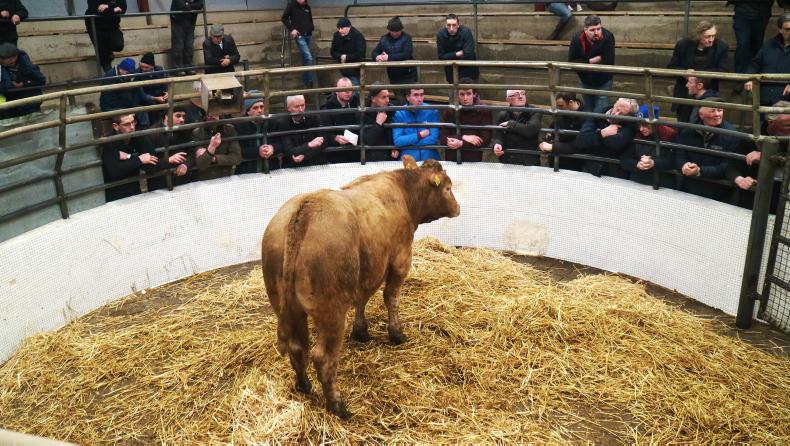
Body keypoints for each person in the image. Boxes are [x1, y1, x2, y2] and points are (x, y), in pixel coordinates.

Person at [675, 98, 741, 201]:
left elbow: (727, 166)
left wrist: (700, 171)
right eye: (712, 111)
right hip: (689, 189)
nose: (717, 114)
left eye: (720, 110)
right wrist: (683, 165)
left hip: (717, 193)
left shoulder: (732, 134)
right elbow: (679, 155)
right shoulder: (688, 130)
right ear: (701, 115)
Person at [667, 21, 729, 121]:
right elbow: (671, 67)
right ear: (699, 36)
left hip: (708, 91)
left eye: (713, 36)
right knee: (684, 123)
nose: (711, 40)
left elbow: (723, 70)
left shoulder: (721, 47)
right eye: (707, 36)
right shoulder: (683, 45)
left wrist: (699, 76)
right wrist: (684, 72)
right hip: (685, 91)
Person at [101, 113, 159, 202]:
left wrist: (129, 157)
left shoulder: (137, 135)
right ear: (116, 126)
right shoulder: (109, 141)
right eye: (127, 124)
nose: (132, 127)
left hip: (134, 187)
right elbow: (114, 171)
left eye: (133, 122)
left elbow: (152, 165)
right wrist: (139, 159)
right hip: (115, 192)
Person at [575, 97, 639, 178]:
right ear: (614, 105)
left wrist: (594, 136)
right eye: (617, 109)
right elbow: (581, 140)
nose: (616, 114)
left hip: (614, 171)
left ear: (629, 116)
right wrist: (603, 133)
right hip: (591, 166)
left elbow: (617, 143)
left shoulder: (631, 123)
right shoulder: (598, 114)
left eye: (622, 114)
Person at [619, 104, 677, 187]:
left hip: (662, 184)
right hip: (637, 181)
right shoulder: (636, 133)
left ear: (655, 123)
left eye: (645, 125)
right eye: (639, 124)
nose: (641, 129)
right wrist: (637, 164)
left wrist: (653, 163)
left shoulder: (669, 134)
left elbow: (673, 161)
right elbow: (624, 158)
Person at [100, 58, 167, 128]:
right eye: (127, 73)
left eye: (131, 73)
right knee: (126, 118)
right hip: (112, 107)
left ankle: (146, 133)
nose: (130, 75)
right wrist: (128, 111)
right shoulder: (109, 77)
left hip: (127, 105)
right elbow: (109, 100)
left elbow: (140, 93)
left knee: (147, 109)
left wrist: (155, 98)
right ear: (120, 69)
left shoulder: (130, 76)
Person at [568, 15, 615, 114]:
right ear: (585, 30)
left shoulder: (608, 37)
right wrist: (590, 61)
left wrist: (583, 62)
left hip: (603, 82)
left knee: (600, 113)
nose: (596, 32)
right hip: (585, 81)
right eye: (592, 30)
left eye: (599, 29)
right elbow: (572, 61)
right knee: (588, 111)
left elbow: (608, 62)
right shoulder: (577, 38)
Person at [728, 1, 788, 75]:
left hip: (761, 13)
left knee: (757, 46)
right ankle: (740, 78)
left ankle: (753, 76)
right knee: (743, 45)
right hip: (743, 12)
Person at [440, 78, 492, 162]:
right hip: (452, 159)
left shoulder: (483, 110)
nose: (465, 98)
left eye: (468, 94)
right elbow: (442, 137)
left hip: (473, 159)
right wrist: (464, 137)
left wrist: (461, 143)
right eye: (462, 94)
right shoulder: (450, 110)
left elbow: (486, 139)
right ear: (457, 95)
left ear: (474, 94)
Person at [744, 13, 790, 107]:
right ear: (780, 30)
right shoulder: (769, 45)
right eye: (787, 29)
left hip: (786, 98)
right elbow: (755, 64)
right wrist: (750, 79)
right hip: (764, 96)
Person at [271, 94, 326, 167]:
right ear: (288, 108)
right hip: (293, 166)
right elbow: (289, 149)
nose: (301, 110)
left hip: (314, 163)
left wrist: (305, 155)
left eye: (302, 105)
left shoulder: (314, 117)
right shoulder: (282, 123)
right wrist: (309, 144)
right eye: (296, 106)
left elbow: (323, 142)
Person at [147, 104, 192, 190]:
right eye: (178, 116)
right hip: (159, 184)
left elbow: (192, 151)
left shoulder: (185, 130)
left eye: (183, 116)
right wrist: (168, 160)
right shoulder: (152, 134)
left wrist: (186, 165)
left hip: (181, 180)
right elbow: (149, 165)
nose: (182, 120)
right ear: (166, 116)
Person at [492, 89, 542, 165]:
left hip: (529, 162)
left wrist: (510, 124)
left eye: (522, 93)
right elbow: (498, 135)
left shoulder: (535, 111)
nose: (521, 96)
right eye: (516, 94)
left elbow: (531, 130)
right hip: (508, 161)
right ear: (508, 99)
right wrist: (497, 144)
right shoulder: (503, 114)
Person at [539, 92, 586, 170]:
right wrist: (548, 139)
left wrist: (553, 146)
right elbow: (551, 129)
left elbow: (579, 145)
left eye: (561, 106)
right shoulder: (562, 113)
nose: (558, 109)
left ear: (571, 102)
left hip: (574, 163)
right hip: (557, 158)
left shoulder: (586, 117)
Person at [190, 109, 241, 181]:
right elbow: (201, 164)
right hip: (204, 180)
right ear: (204, 116)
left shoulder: (229, 129)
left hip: (225, 177)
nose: (213, 116)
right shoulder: (197, 132)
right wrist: (212, 146)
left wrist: (213, 157)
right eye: (210, 114)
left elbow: (236, 158)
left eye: (216, 113)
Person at [392, 87, 440, 161]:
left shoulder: (432, 110)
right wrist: (420, 135)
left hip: (429, 159)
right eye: (416, 95)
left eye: (421, 95)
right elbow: (398, 141)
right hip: (408, 160)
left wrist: (408, 143)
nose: (420, 99)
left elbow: (434, 138)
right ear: (407, 97)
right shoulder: (399, 113)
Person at [320, 76, 361, 164]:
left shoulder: (357, 103)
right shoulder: (327, 109)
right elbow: (323, 134)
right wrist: (335, 138)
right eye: (343, 89)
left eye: (350, 88)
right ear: (336, 91)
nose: (347, 91)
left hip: (355, 152)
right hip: (337, 155)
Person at [235, 91, 276, 174]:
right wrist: (258, 151)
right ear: (248, 112)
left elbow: (281, 143)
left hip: (271, 170)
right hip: (247, 172)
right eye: (255, 108)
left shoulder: (271, 122)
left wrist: (272, 148)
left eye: (262, 107)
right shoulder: (239, 125)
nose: (260, 110)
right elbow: (239, 151)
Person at [0, 42, 45, 118]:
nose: (9, 60)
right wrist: (9, 85)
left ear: (16, 56)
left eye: (11, 57)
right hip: (10, 108)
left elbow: (41, 80)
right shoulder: (1, 69)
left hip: (30, 105)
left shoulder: (28, 66)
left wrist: (24, 84)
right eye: (3, 58)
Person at [371, 16, 417, 85]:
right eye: (393, 31)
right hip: (393, 75)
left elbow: (406, 54)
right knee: (398, 94)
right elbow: (374, 52)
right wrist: (377, 57)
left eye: (397, 31)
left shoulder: (407, 38)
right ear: (389, 30)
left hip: (408, 73)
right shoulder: (384, 39)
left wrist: (388, 57)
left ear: (401, 30)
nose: (395, 33)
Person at [281, 0, 316, 88]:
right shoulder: (291, 5)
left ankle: (305, 82)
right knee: (308, 57)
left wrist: (311, 28)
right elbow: (284, 18)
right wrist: (292, 29)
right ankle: (309, 82)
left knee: (306, 59)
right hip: (299, 35)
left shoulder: (307, 6)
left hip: (308, 34)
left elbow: (310, 19)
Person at [436, 13, 479, 84]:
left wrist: (449, 56)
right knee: (453, 93)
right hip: (451, 72)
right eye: (448, 25)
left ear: (458, 25)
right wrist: (456, 54)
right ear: (445, 25)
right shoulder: (440, 34)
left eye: (454, 25)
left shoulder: (466, 32)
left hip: (468, 70)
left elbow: (468, 53)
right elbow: (441, 56)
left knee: (470, 92)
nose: (451, 28)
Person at [85, 0, 127, 72]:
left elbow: (123, 8)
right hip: (96, 25)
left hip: (112, 24)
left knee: (118, 45)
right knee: (103, 54)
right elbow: (95, 9)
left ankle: (108, 51)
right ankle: (110, 77)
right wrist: (114, 8)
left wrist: (108, 6)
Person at [362, 85, 398, 162]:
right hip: (372, 158)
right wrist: (378, 124)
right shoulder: (363, 113)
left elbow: (396, 134)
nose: (388, 100)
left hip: (390, 156)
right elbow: (367, 141)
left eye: (388, 97)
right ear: (373, 99)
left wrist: (395, 148)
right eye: (383, 97)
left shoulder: (392, 110)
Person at [169, 0, 204, 74]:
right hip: (178, 21)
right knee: (178, 45)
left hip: (190, 20)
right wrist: (193, 5)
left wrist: (188, 4)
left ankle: (189, 67)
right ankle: (178, 69)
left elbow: (200, 4)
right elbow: (182, 6)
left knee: (189, 45)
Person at [330, 17, 366, 85]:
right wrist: (340, 56)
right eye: (339, 28)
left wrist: (347, 57)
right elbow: (332, 51)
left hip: (354, 70)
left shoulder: (357, 36)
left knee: (353, 90)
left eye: (342, 28)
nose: (340, 30)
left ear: (348, 27)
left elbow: (360, 53)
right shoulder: (336, 35)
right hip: (342, 69)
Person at [136, 52, 168, 126]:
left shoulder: (159, 69)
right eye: (142, 67)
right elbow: (139, 93)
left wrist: (167, 93)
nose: (143, 69)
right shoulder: (137, 73)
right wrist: (155, 98)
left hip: (160, 95)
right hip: (146, 97)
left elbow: (165, 83)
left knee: (172, 101)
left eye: (146, 67)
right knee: (152, 106)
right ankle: (155, 127)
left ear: (152, 66)